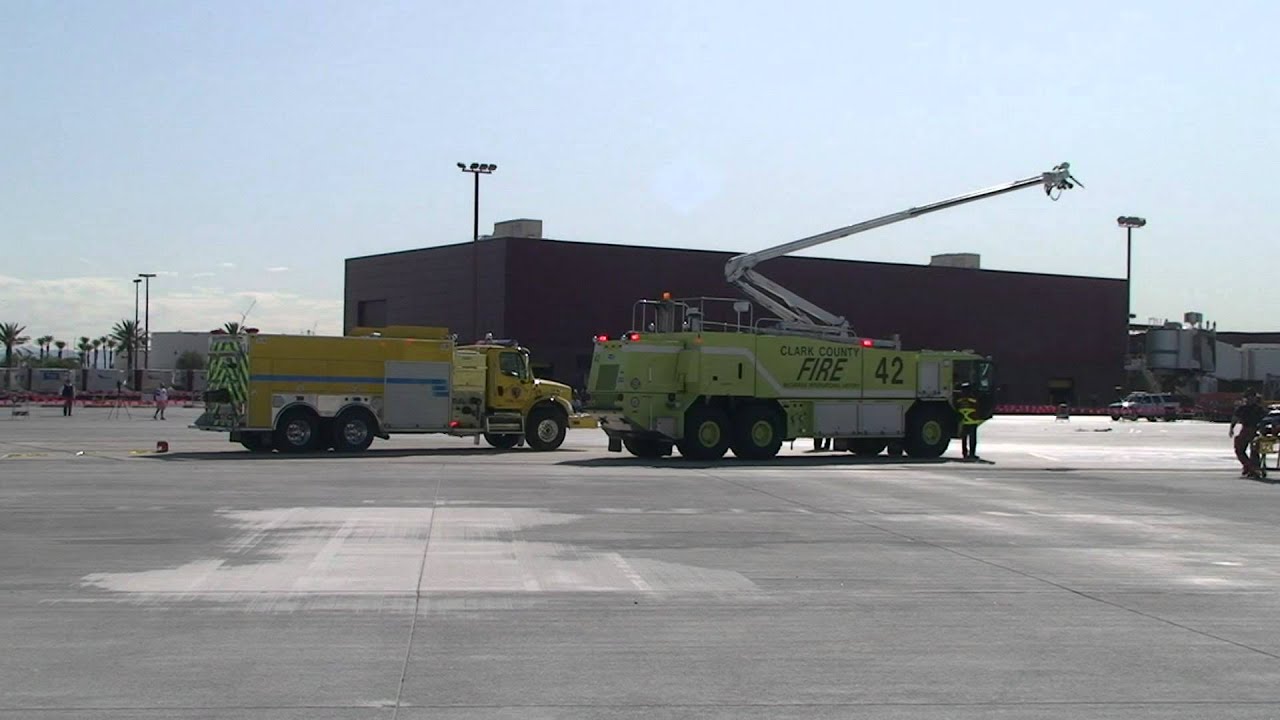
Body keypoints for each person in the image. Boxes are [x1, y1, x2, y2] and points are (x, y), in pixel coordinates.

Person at [1229, 389, 1266, 478]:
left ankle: (1250, 467)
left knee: (1247, 450)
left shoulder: (1245, 408)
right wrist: (1232, 428)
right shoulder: (1258, 408)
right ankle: (1250, 467)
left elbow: (1235, 418)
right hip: (1251, 430)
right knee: (1245, 450)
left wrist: (1232, 428)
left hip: (1250, 430)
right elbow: (1235, 418)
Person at [956, 382, 981, 460]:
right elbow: (977, 408)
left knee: (964, 438)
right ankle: (972, 454)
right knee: (972, 439)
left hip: (963, 422)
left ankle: (964, 453)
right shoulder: (973, 400)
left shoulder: (959, 401)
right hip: (972, 421)